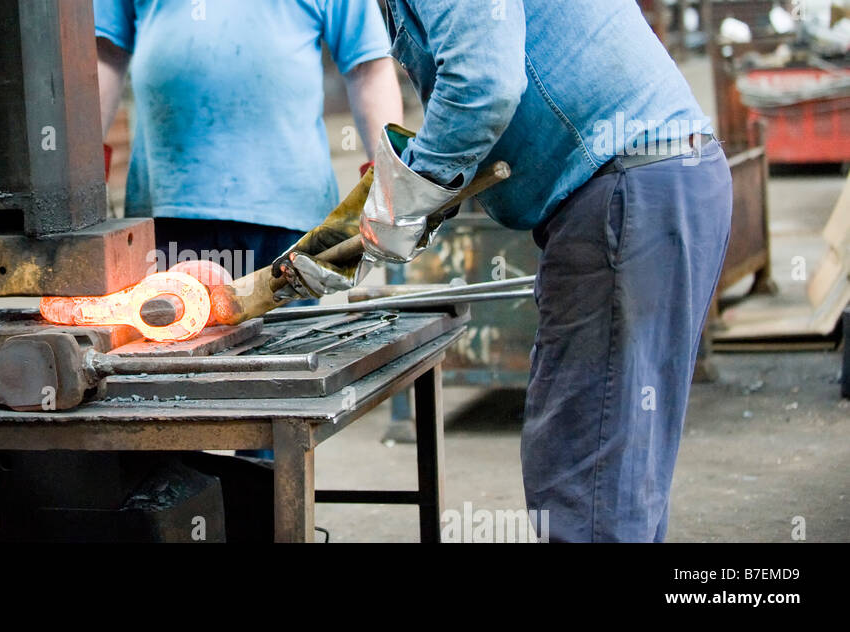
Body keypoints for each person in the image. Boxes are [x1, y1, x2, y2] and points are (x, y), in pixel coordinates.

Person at [282, 0, 733, 542]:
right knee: (615, 473)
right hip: (652, 181)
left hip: (627, 189)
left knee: (586, 486)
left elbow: (482, 85)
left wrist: (408, 193)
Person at [94, 0, 403, 281]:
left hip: (286, 215)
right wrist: (83, 171)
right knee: (166, 331)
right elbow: (105, 52)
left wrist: (388, 177)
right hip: (164, 210)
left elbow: (367, 66)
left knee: (289, 340)